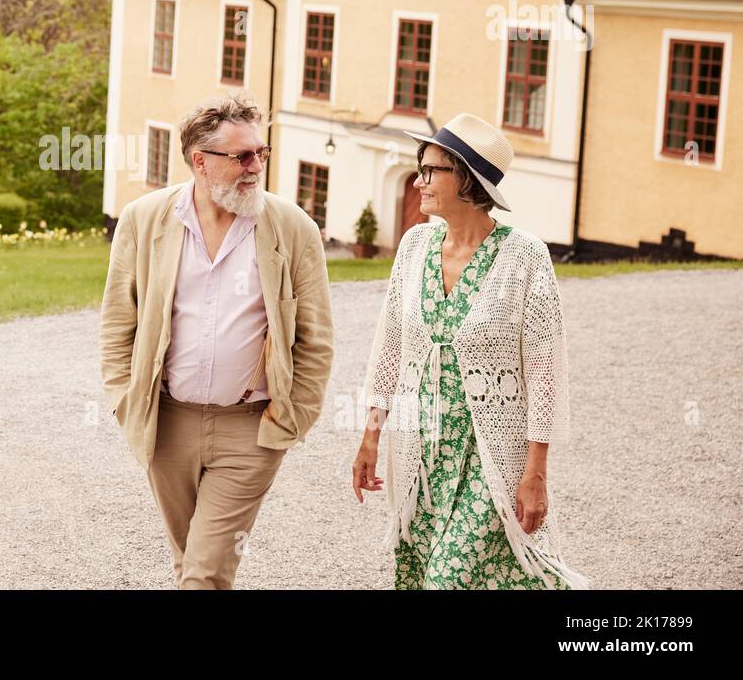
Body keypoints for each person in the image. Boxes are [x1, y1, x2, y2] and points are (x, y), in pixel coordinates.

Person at [100, 93, 334, 588]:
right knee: (193, 565)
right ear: (199, 161)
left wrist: (294, 415)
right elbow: (118, 324)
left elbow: (315, 339)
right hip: (166, 424)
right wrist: (126, 400)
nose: (255, 166)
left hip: (251, 430)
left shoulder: (292, 229)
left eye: (261, 153)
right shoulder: (143, 219)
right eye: (242, 156)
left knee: (203, 572)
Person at [352, 112, 588, 589]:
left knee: (449, 578)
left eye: (431, 171)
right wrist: (371, 438)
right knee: (429, 575)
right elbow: (390, 349)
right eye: (420, 169)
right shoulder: (414, 245)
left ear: (467, 179)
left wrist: (536, 472)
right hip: (421, 449)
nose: (419, 181)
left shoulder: (524, 255)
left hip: (489, 457)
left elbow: (545, 372)